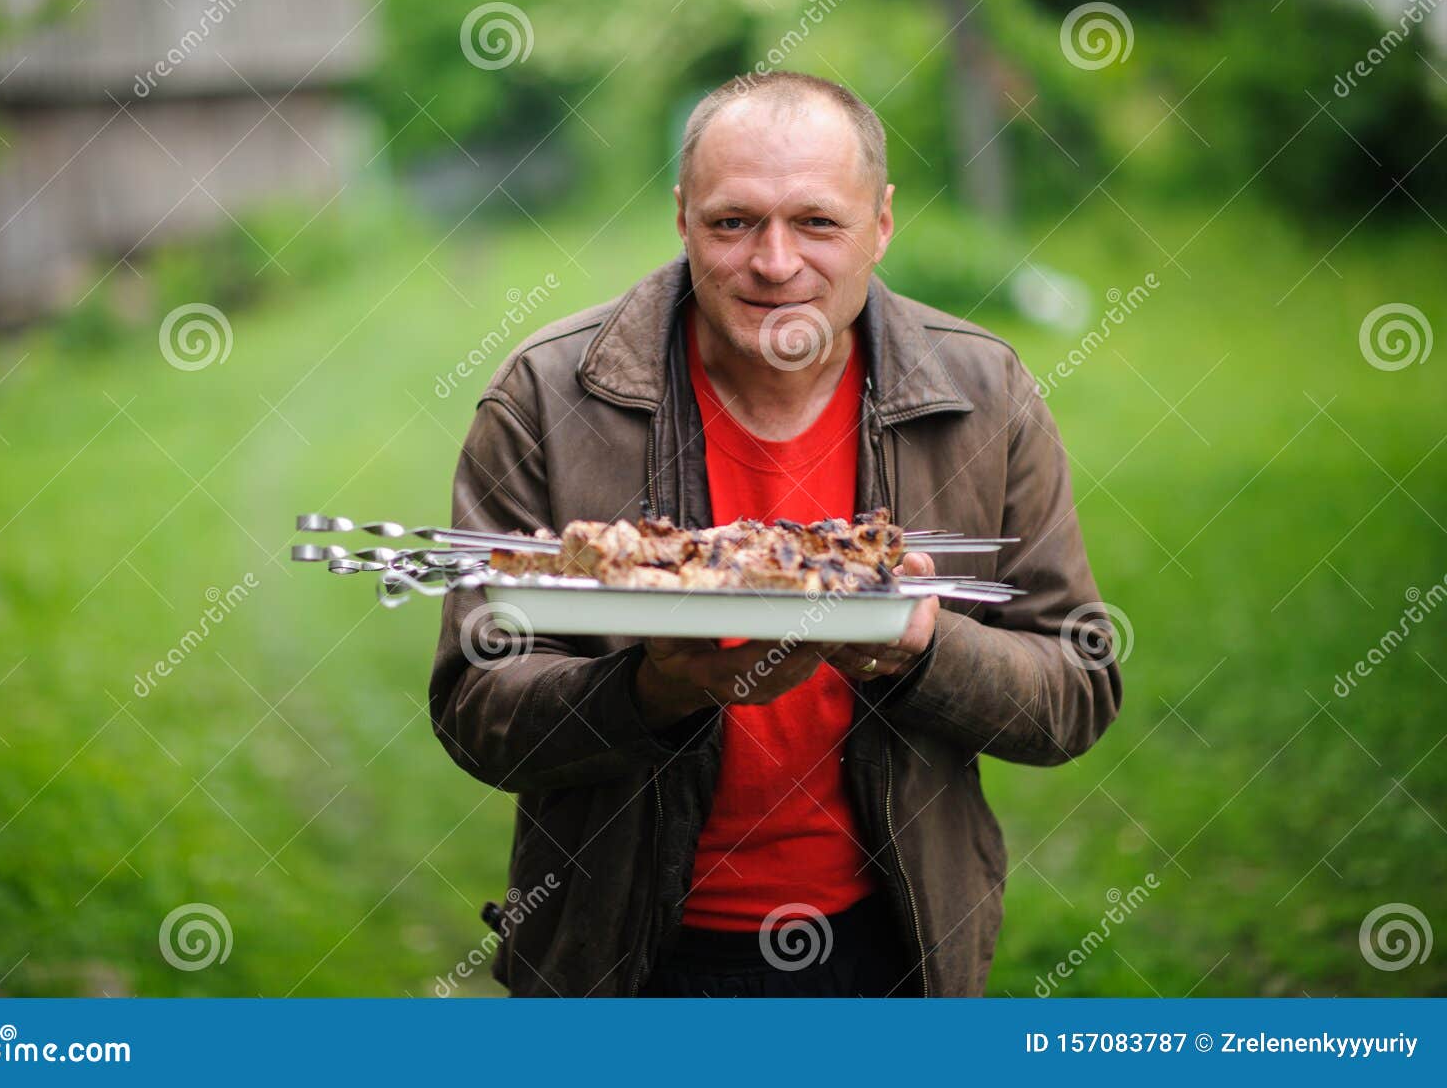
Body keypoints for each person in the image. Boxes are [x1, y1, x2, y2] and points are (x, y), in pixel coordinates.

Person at [428, 70, 1123, 997]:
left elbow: (1076, 689)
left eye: (818, 223)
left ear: (881, 224)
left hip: (897, 949)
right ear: (681, 218)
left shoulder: (984, 397)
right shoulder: (547, 398)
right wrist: (651, 691)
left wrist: (919, 643)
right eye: (733, 222)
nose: (774, 261)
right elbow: (478, 710)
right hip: (624, 958)